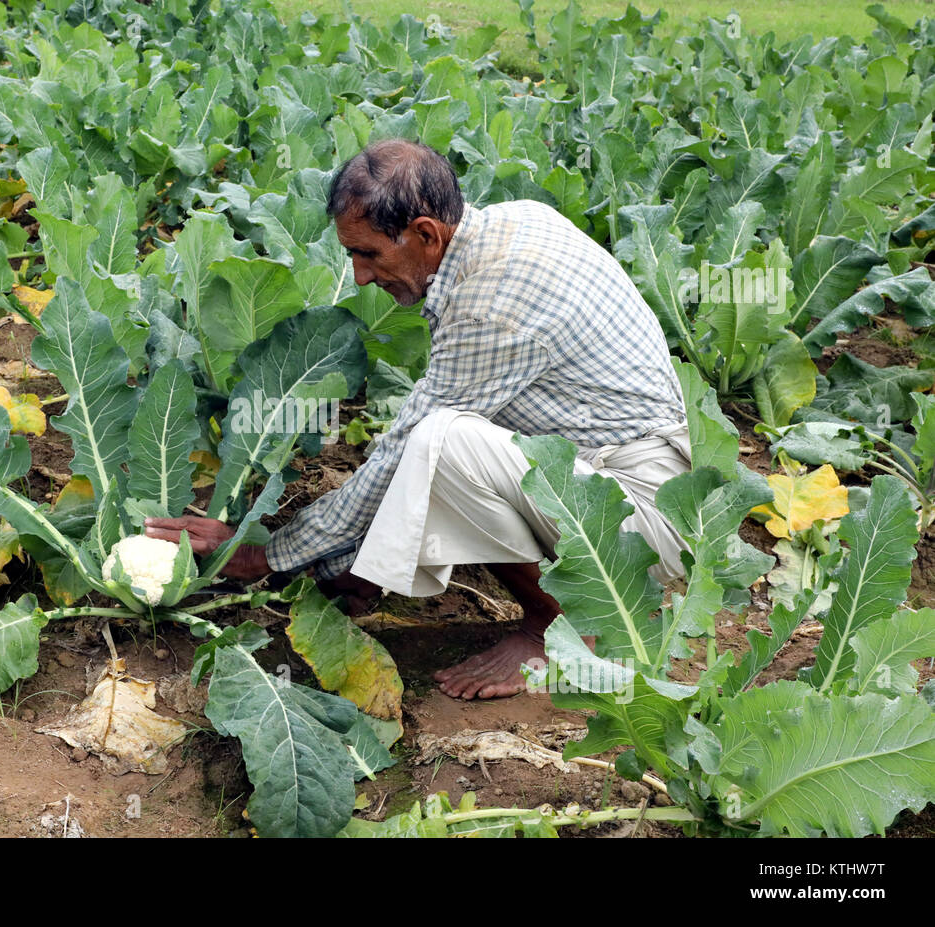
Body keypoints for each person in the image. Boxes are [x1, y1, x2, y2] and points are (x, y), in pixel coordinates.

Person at [145, 138, 692, 699]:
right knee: (442, 442)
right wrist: (351, 560)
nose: (358, 277)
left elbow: (408, 449)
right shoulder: (508, 224)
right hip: (607, 481)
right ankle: (374, 571)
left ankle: (559, 630)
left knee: (438, 441)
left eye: (370, 255)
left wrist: (264, 555)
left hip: (641, 524)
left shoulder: (492, 305)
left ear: (427, 234)